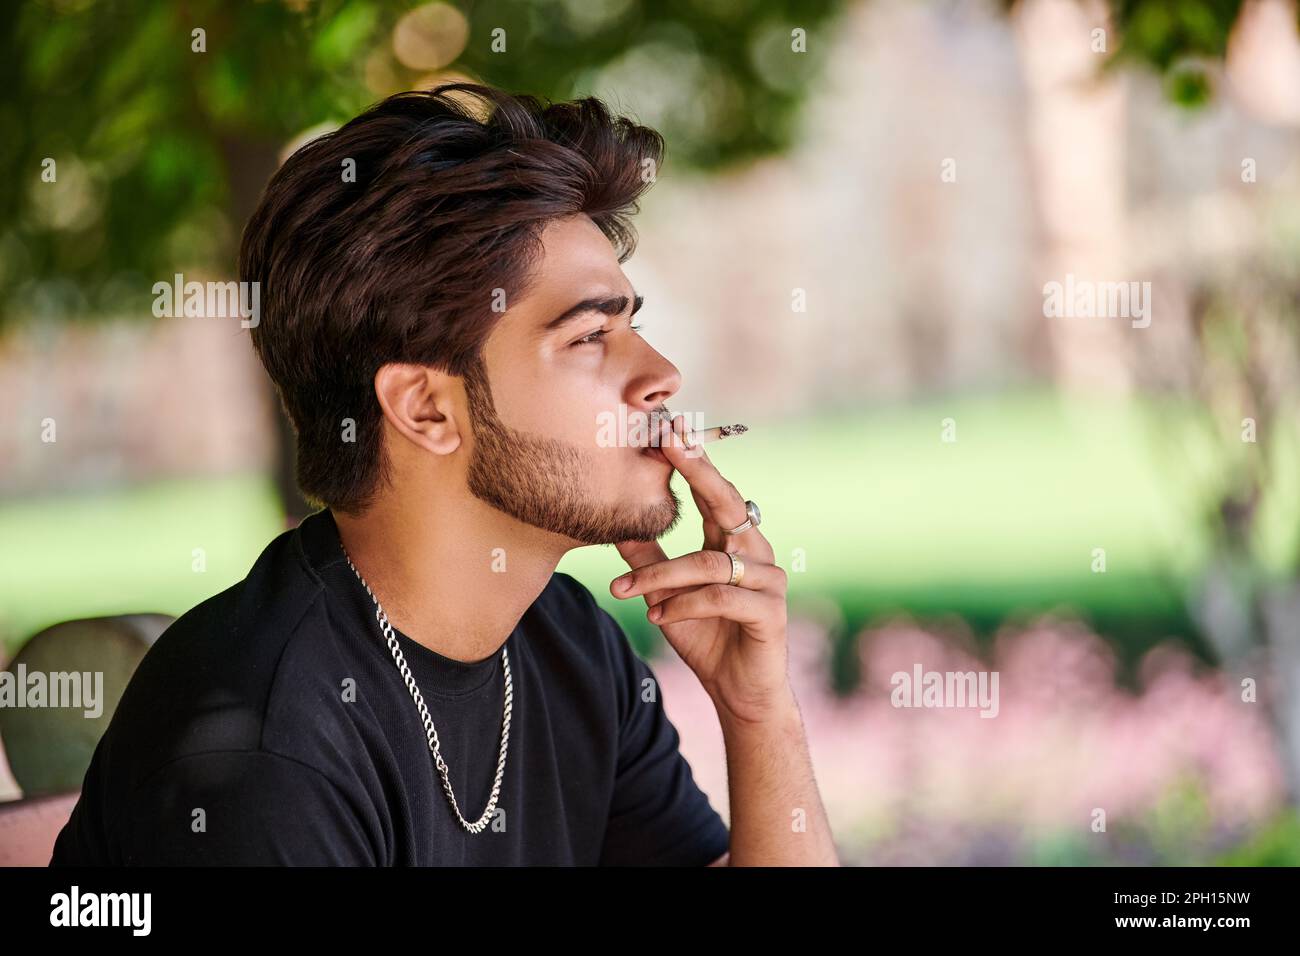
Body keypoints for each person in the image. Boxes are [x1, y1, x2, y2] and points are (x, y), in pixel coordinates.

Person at [50, 83, 836, 866]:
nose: (662, 374)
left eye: (635, 324)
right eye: (590, 335)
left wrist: (758, 712)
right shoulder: (267, 751)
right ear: (425, 407)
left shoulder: (564, 642)